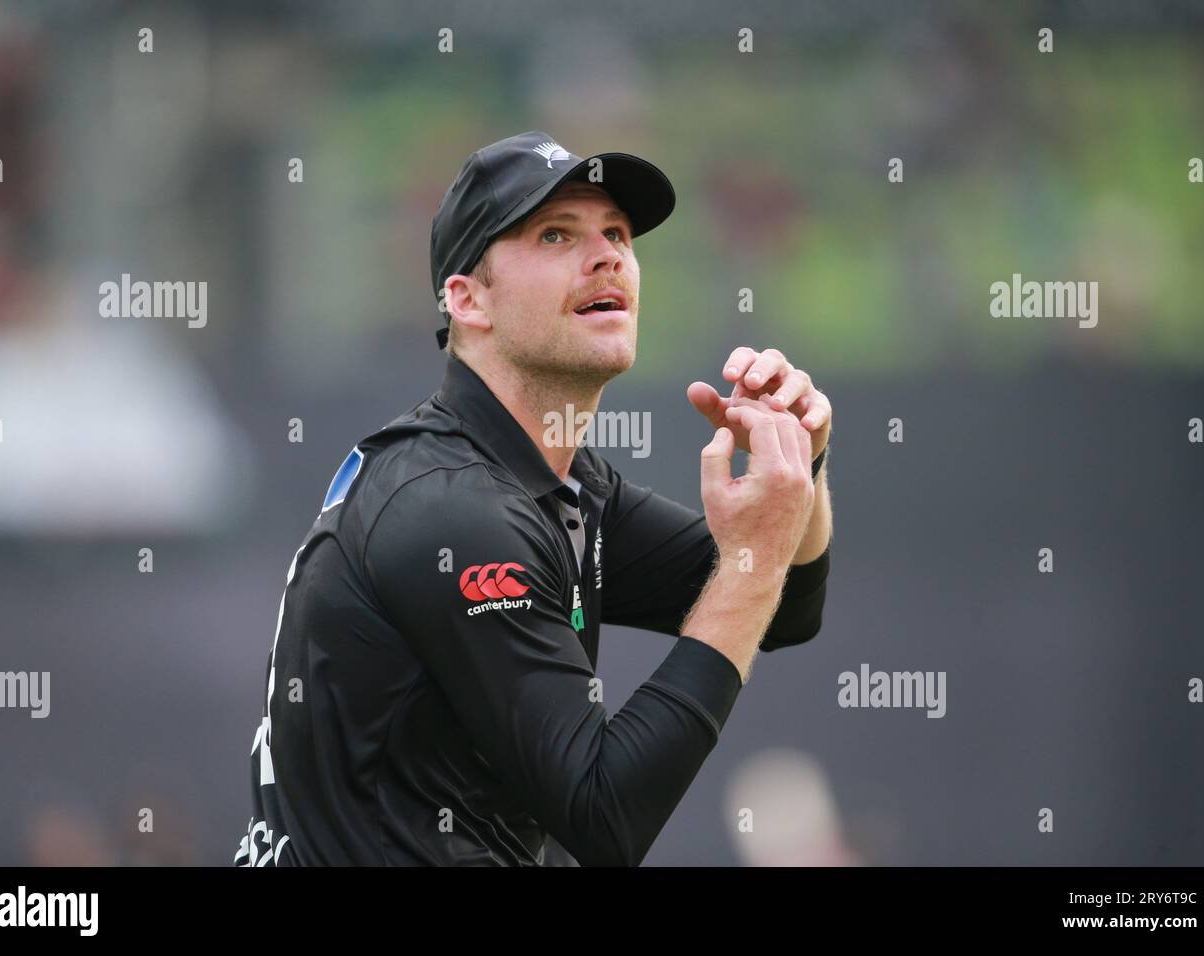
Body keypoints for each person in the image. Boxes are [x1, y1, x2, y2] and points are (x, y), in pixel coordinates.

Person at [235, 130, 834, 867]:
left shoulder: (556, 478)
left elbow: (789, 605)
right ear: (467, 299)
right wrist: (754, 554)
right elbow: (605, 813)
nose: (608, 253)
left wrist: (800, 463)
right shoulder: (454, 508)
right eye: (556, 234)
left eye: (617, 233)